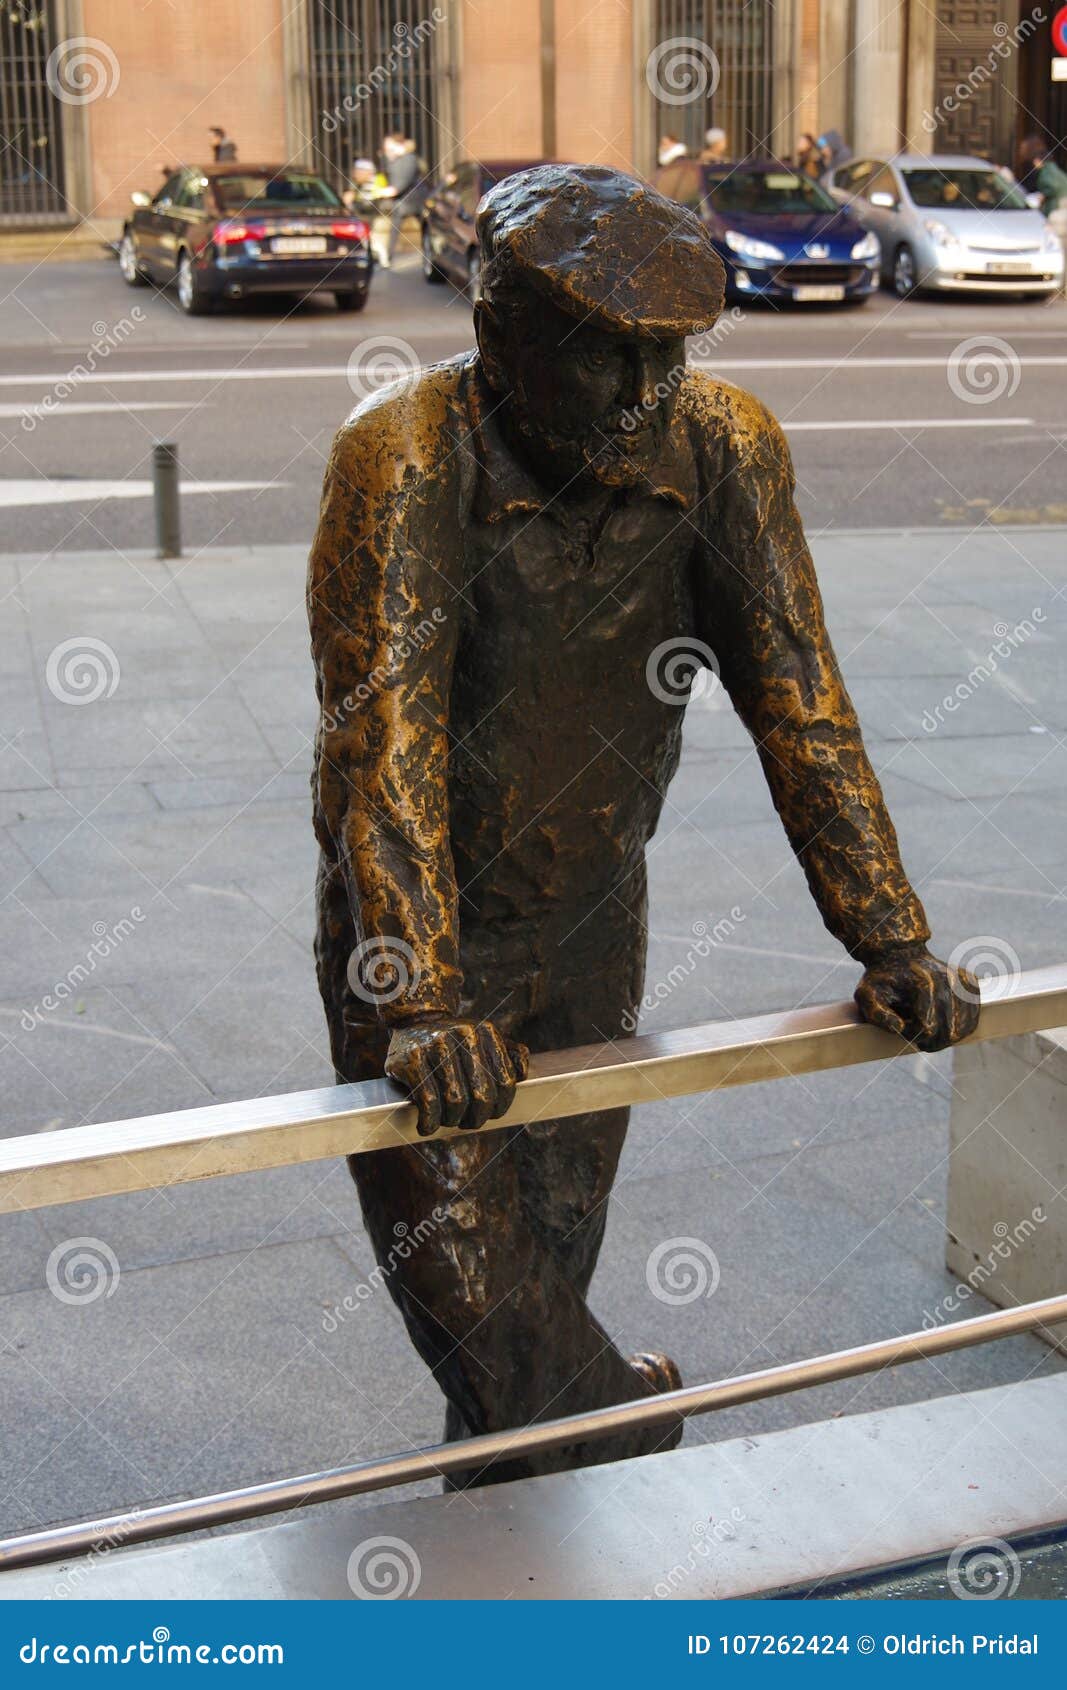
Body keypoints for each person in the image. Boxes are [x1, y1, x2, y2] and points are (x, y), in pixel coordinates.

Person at [307, 164, 980, 1489]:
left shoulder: (722, 446)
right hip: (414, 951)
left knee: (538, 1275)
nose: (639, 393)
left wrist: (888, 933)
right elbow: (378, 748)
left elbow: (800, 702)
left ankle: (515, 1561)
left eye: (664, 354)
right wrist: (425, 1001)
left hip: (593, 924)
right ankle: (620, 1412)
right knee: (467, 1289)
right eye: (602, 355)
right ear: (499, 333)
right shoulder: (403, 461)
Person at [378, 132, 426, 267]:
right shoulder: (394, 160)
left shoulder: (408, 159)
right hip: (402, 200)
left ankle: (389, 256)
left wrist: (385, 192)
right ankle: (388, 255)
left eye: (390, 147)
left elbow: (400, 184)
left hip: (412, 200)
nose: (387, 150)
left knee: (421, 226)